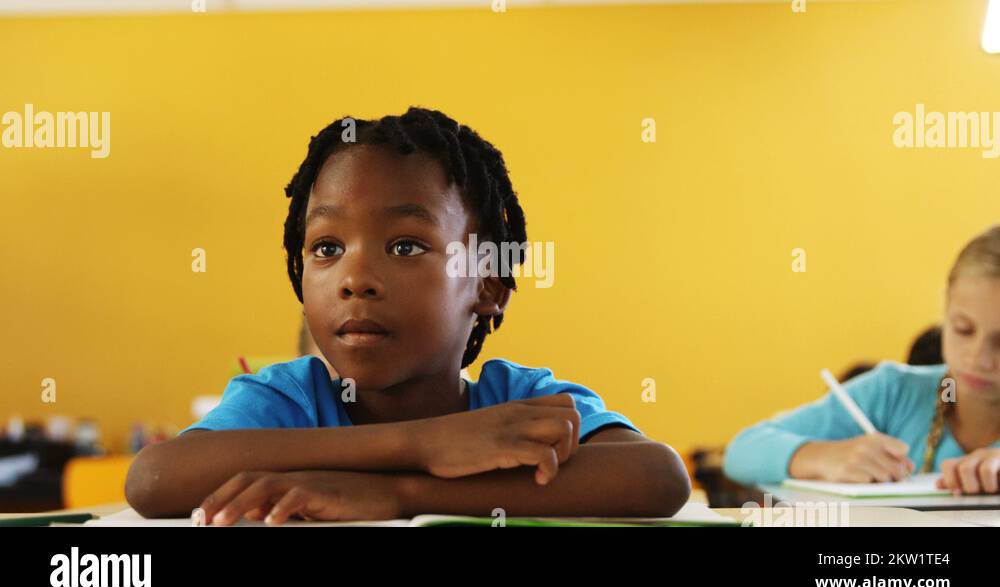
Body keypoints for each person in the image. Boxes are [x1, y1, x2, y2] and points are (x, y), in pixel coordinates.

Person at [126, 107, 690, 523]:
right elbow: (153, 481)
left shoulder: (517, 401)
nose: (354, 279)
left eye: (405, 246)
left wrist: (402, 495)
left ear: (488, 285)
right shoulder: (286, 399)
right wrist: (423, 445)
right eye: (326, 248)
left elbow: (657, 478)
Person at [724, 225, 1000, 494]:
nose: (978, 358)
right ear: (945, 314)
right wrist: (821, 457)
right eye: (963, 329)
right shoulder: (893, 392)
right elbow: (743, 449)